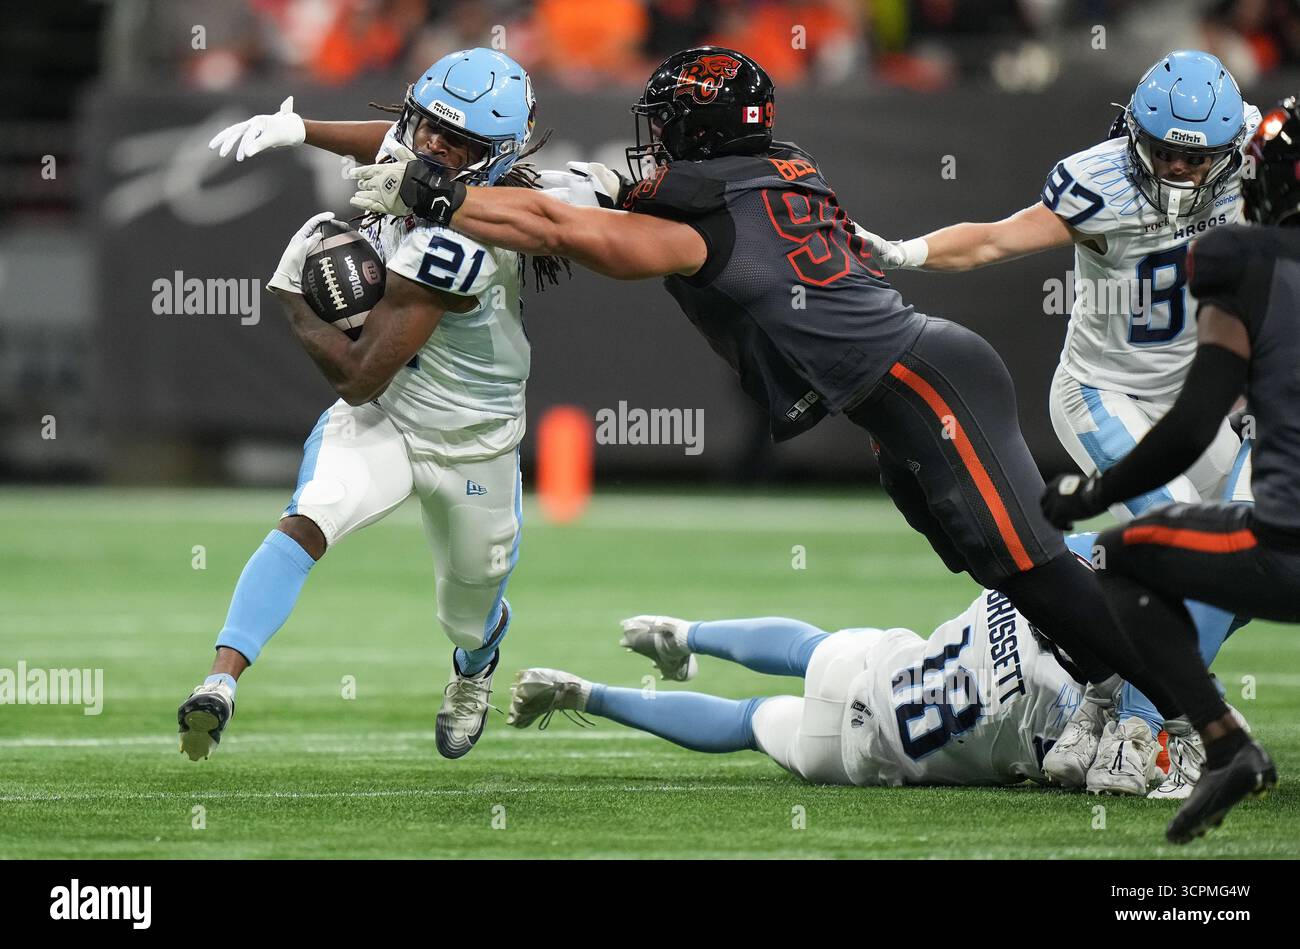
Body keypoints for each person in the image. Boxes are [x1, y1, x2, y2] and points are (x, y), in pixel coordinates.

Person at [348, 47, 1191, 808]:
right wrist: (316, 136)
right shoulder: (759, 172)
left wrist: (437, 195)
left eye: (668, 130)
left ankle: (1189, 725)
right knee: (987, 561)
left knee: (1032, 564)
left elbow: (574, 228)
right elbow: (580, 193)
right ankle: (1104, 692)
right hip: (896, 393)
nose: (656, 146)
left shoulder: (700, 214)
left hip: (924, 382)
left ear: (697, 136)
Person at [851, 50, 1262, 797]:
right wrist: (904, 251)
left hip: (1195, 405)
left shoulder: (1260, 158)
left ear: (1228, 149)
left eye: (1195, 158)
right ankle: (1155, 728)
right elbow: (996, 238)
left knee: (1238, 565)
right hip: (1102, 392)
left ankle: (1097, 691)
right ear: (1133, 134)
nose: (1176, 171)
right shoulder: (1098, 181)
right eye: (1164, 152)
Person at [177, 48, 577, 762]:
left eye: (455, 144)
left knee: (465, 616)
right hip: (389, 418)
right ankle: (218, 682)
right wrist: (301, 131)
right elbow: (390, 145)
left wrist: (294, 300)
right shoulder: (433, 153)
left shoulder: (471, 242)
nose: (431, 148)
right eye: (426, 126)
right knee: (309, 518)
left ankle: (475, 666)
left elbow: (359, 374)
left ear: (494, 159)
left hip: (472, 442)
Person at [1040, 95, 1300, 841]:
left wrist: (1094, 492)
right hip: (1157, 406)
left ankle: (1162, 723)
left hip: (1280, 531)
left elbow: (1190, 423)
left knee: (1144, 554)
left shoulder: (1245, 264)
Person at [508, 533, 1239, 794]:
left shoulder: (1026, 599)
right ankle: (593, 694)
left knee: (803, 647)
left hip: (884, 667)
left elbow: (1074, 566)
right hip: (868, 749)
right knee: (744, 721)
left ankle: (687, 632)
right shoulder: (1068, 721)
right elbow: (1087, 758)